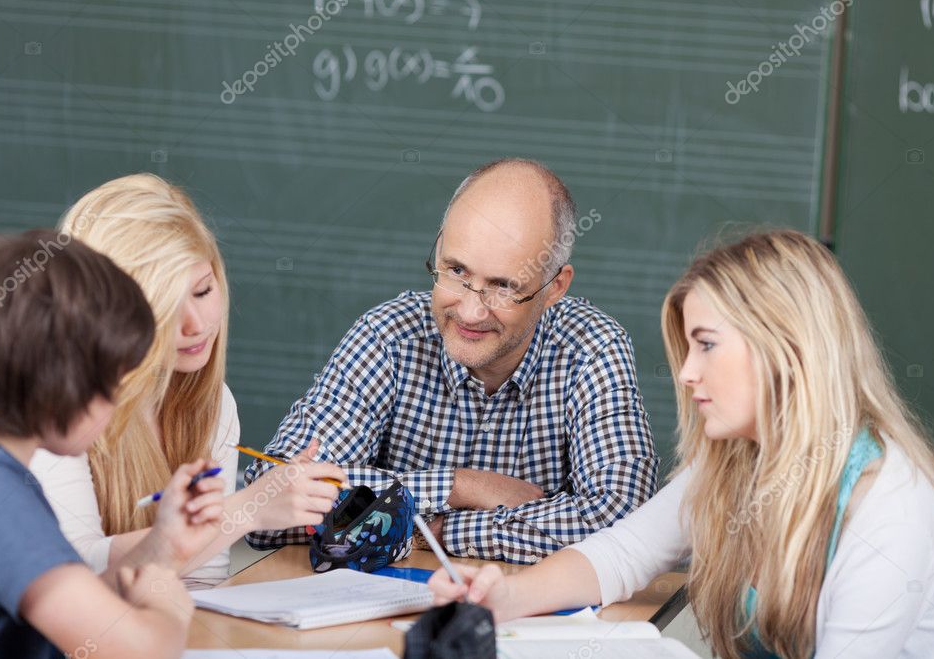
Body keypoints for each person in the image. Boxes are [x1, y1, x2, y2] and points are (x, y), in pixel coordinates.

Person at [428, 229, 934, 658]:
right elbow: (622, 553)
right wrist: (503, 596)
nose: (687, 374)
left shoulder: (887, 504)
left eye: (706, 346)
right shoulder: (739, 462)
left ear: (785, 350)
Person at [244, 158, 658, 564]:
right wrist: (459, 487)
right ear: (439, 249)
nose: (471, 311)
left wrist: (441, 530)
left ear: (554, 288)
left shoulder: (591, 349)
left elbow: (625, 522)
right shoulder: (388, 338)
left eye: (503, 287)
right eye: (457, 271)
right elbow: (271, 499)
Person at [30, 174, 346, 588]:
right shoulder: (51, 410)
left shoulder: (211, 404)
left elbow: (201, 581)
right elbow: (72, 577)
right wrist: (248, 509)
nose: (195, 326)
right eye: (163, 306)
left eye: (201, 291)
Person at [0, 230, 225, 659]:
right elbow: (135, 651)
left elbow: (73, 609)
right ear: (62, 382)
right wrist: (165, 606)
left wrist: (162, 547)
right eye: (117, 382)